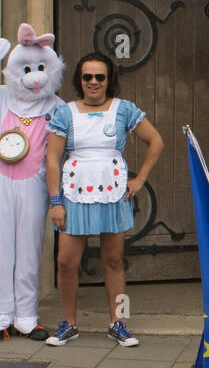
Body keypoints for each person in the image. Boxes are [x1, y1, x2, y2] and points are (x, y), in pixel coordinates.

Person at [46, 53, 164, 347]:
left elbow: (156, 141)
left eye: (100, 76)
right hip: (74, 195)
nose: (94, 82)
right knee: (65, 262)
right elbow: (51, 159)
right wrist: (55, 202)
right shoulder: (65, 113)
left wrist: (140, 179)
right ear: (80, 80)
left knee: (114, 260)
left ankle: (118, 322)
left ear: (109, 79)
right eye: (88, 77)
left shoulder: (124, 110)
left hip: (113, 194)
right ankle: (69, 323)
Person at [0, 23, 65, 345]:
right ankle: (0, 317)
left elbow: (65, 148)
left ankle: (26, 317)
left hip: (34, 186)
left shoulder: (56, 106)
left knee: (30, 249)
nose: (36, 76)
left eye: (41, 69)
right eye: (29, 69)